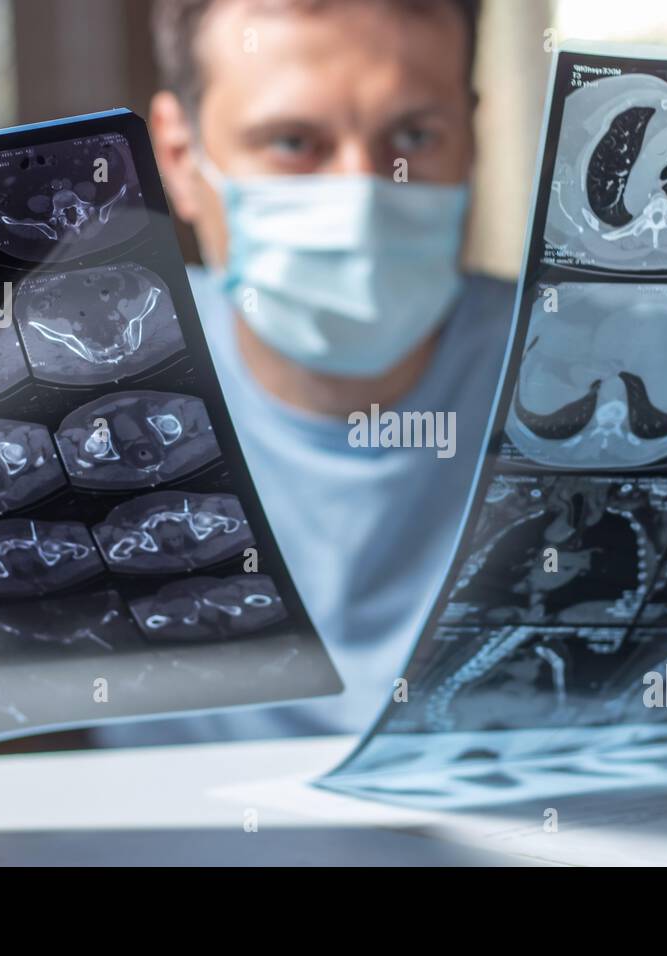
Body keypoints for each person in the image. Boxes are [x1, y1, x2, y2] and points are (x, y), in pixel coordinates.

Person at [115, 0, 514, 741]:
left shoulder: (603, 381)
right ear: (179, 157)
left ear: (472, 136)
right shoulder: (78, 379)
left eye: (414, 137)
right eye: (294, 141)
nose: (361, 196)